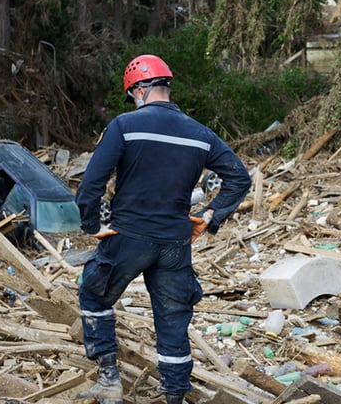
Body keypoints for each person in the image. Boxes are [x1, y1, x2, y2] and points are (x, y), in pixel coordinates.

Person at [74, 54, 252, 404]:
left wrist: (92, 225)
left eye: (132, 94)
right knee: (172, 320)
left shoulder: (125, 125)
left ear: (139, 89)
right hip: (175, 241)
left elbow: (92, 183)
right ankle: (173, 395)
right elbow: (239, 177)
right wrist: (209, 215)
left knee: (94, 295)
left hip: (128, 236)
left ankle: (110, 381)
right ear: (165, 86)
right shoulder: (201, 134)